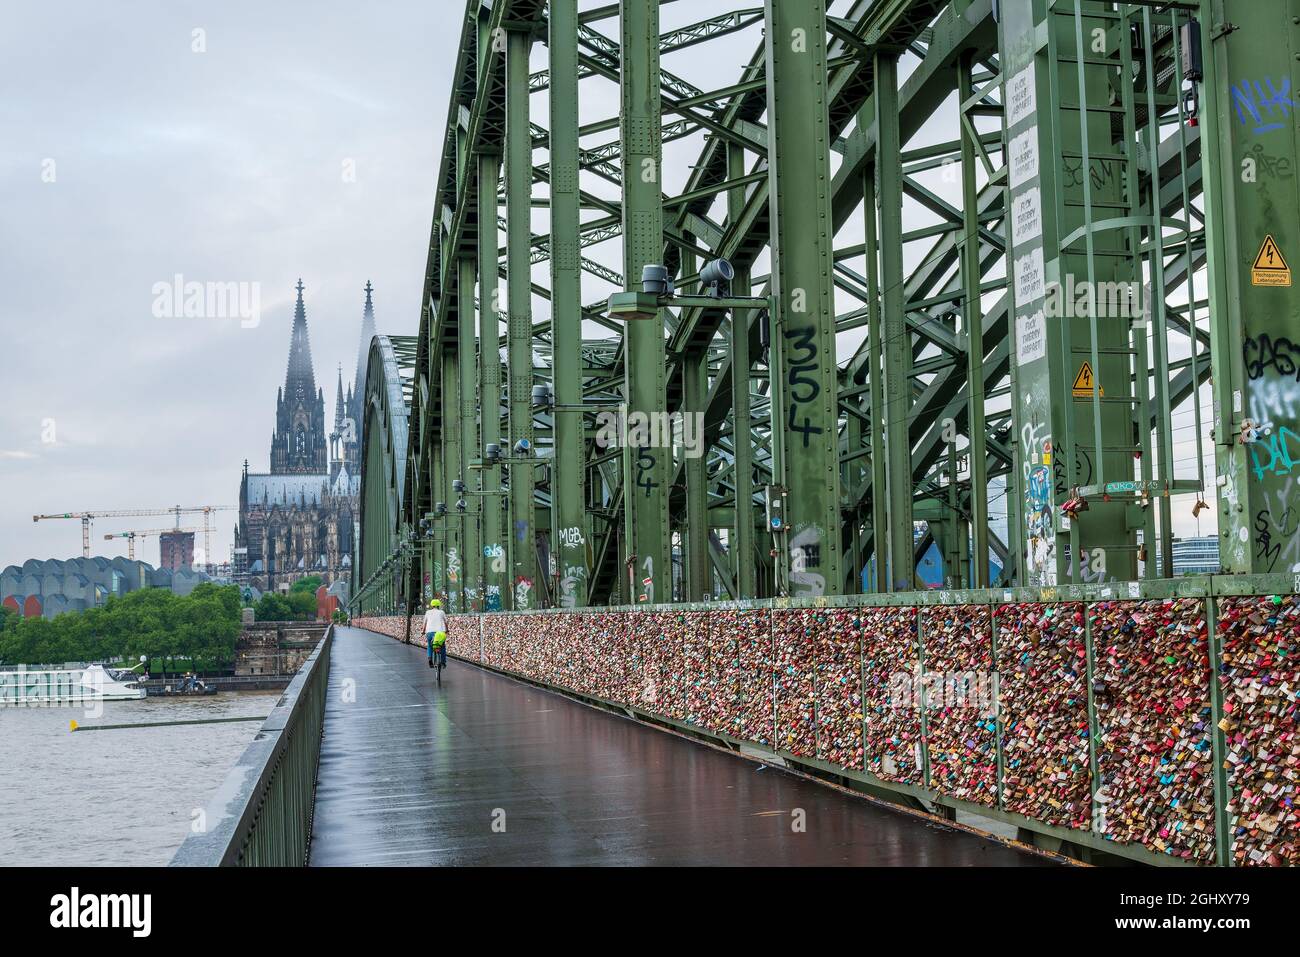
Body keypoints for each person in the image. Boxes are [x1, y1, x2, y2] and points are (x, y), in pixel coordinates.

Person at [424, 599, 449, 670]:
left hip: (429, 632)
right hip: (440, 633)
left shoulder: (427, 612)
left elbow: (425, 623)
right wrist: (447, 630)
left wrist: (423, 631)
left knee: (430, 645)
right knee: (442, 646)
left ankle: (430, 659)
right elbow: (446, 622)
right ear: (438, 605)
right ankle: (443, 662)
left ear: (431, 605)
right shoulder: (441, 612)